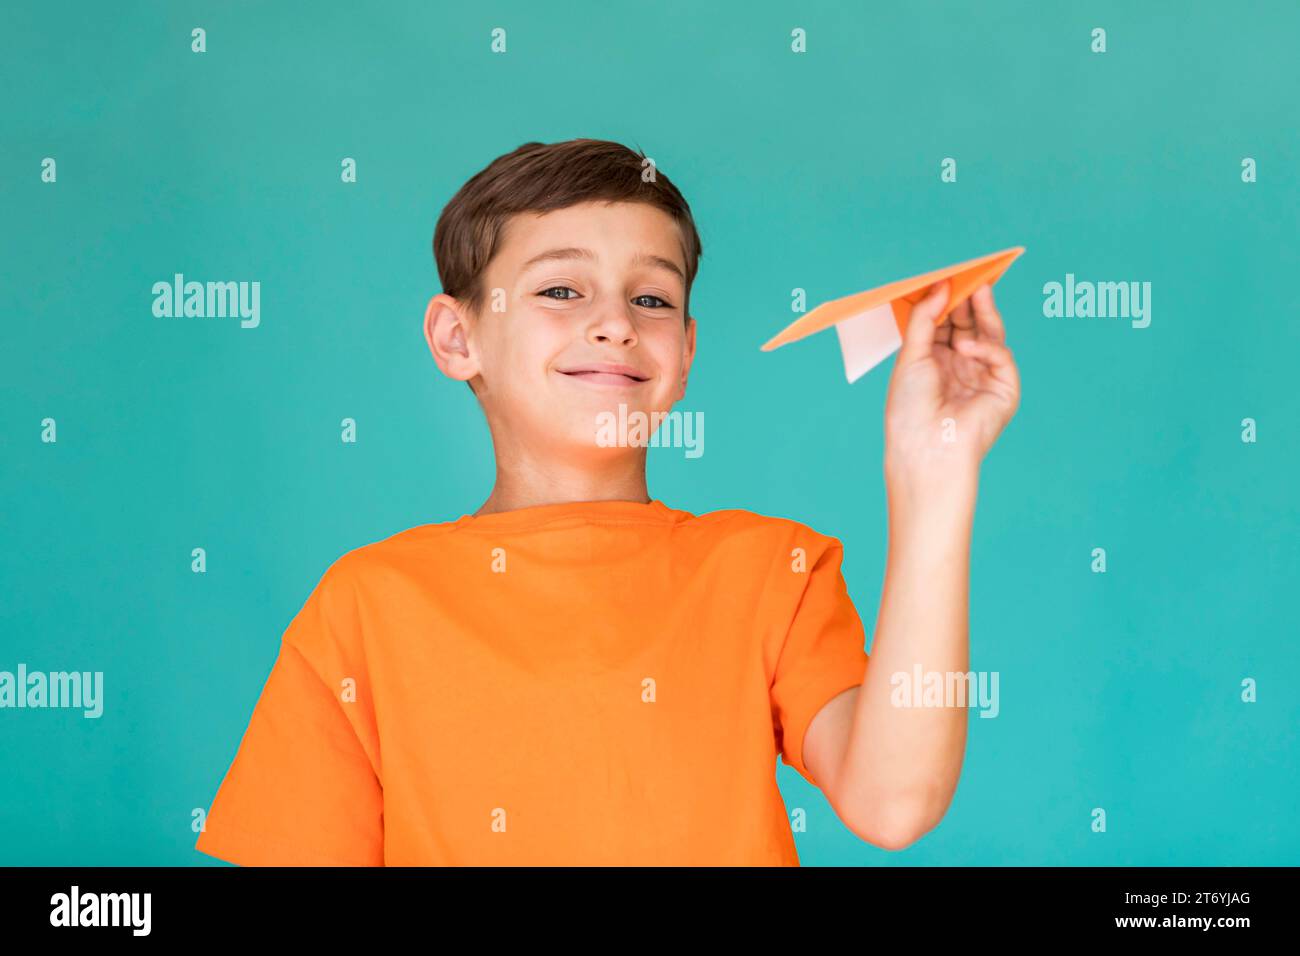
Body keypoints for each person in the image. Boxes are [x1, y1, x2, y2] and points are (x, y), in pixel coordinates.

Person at [194, 138, 1020, 866]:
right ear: (458, 337)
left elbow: (894, 804)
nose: (616, 323)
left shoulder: (774, 571)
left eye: (652, 299)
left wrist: (937, 471)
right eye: (561, 291)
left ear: (686, 351)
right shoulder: (364, 605)